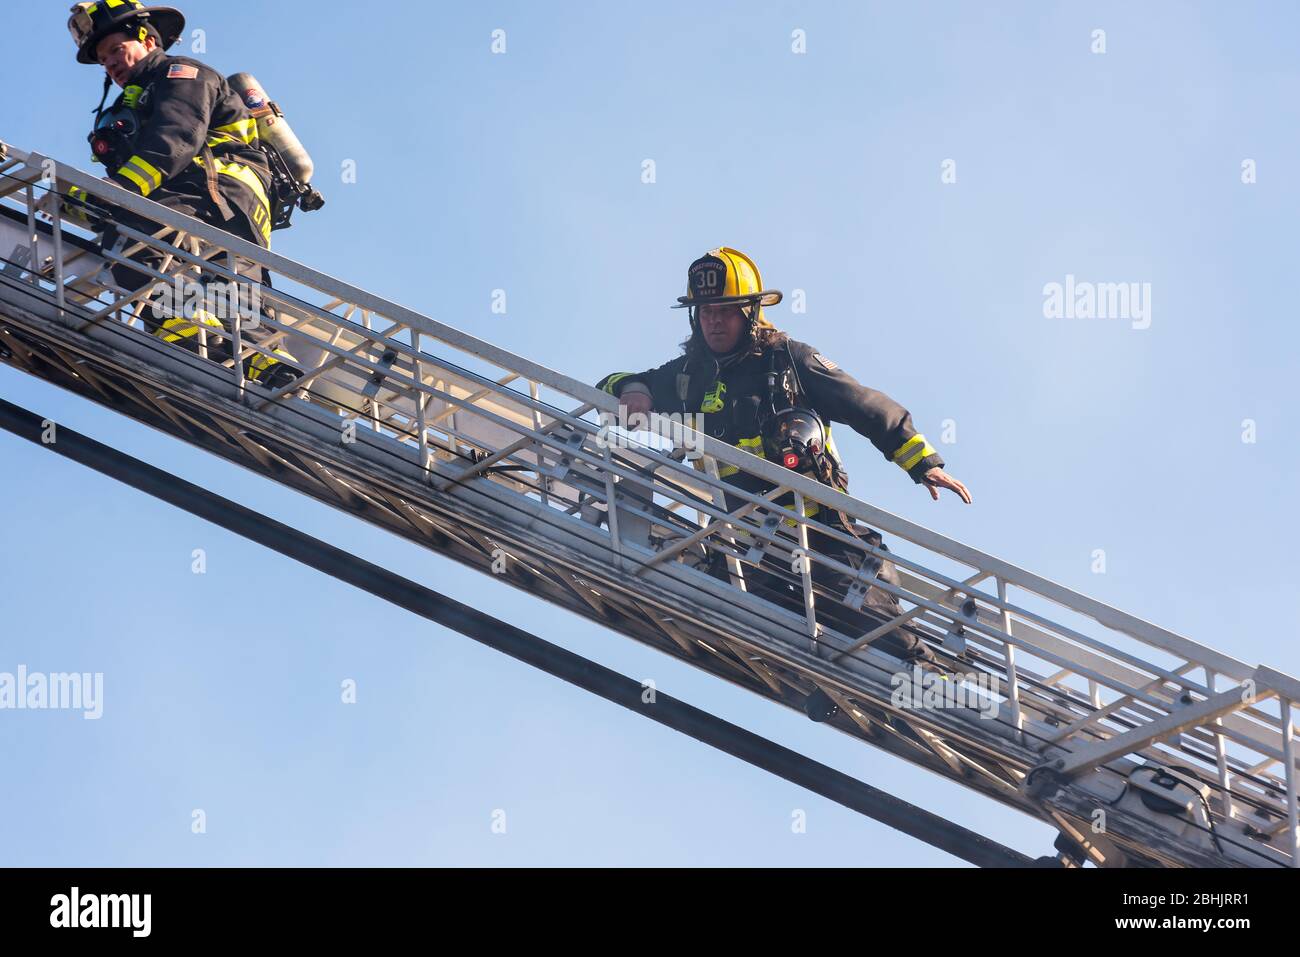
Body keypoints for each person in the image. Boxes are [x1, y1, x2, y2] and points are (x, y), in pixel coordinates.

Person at [597, 247, 973, 682]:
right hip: (746, 545)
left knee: (869, 614)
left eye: (725, 310)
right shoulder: (686, 378)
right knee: (765, 642)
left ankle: (932, 683)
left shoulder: (791, 361)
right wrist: (633, 388)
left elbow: (865, 405)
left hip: (822, 530)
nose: (714, 321)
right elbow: (609, 384)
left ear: (751, 312)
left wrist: (921, 461)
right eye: (705, 312)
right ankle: (827, 693)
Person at [65, 1, 298, 387]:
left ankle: (182, 326)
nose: (111, 65)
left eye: (115, 51)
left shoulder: (182, 75)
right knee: (234, 286)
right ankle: (271, 367)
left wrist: (120, 191)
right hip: (228, 203)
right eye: (104, 61)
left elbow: (176, 138)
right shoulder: (132, 104)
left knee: (131, 231)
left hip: (213, 188)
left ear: (146, 37)